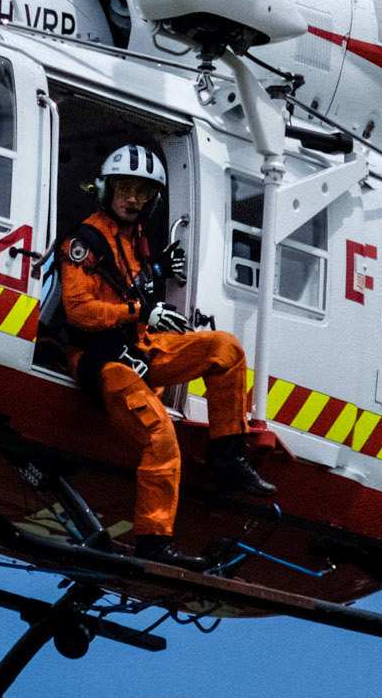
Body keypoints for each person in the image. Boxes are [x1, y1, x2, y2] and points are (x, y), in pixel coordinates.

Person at [61, 144, 275, 568]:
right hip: (105, 362)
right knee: (161, 438)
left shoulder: (135, 239)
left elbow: (132, 283)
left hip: (140, 348)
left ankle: (227, 455)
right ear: (108, 189)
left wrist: (157, 271)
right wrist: (139, 310)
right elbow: (79, 311)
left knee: (224, 349)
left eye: (143, 192)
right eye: (126, 189)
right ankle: (153, 543)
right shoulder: (82, 243)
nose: (134, 199)